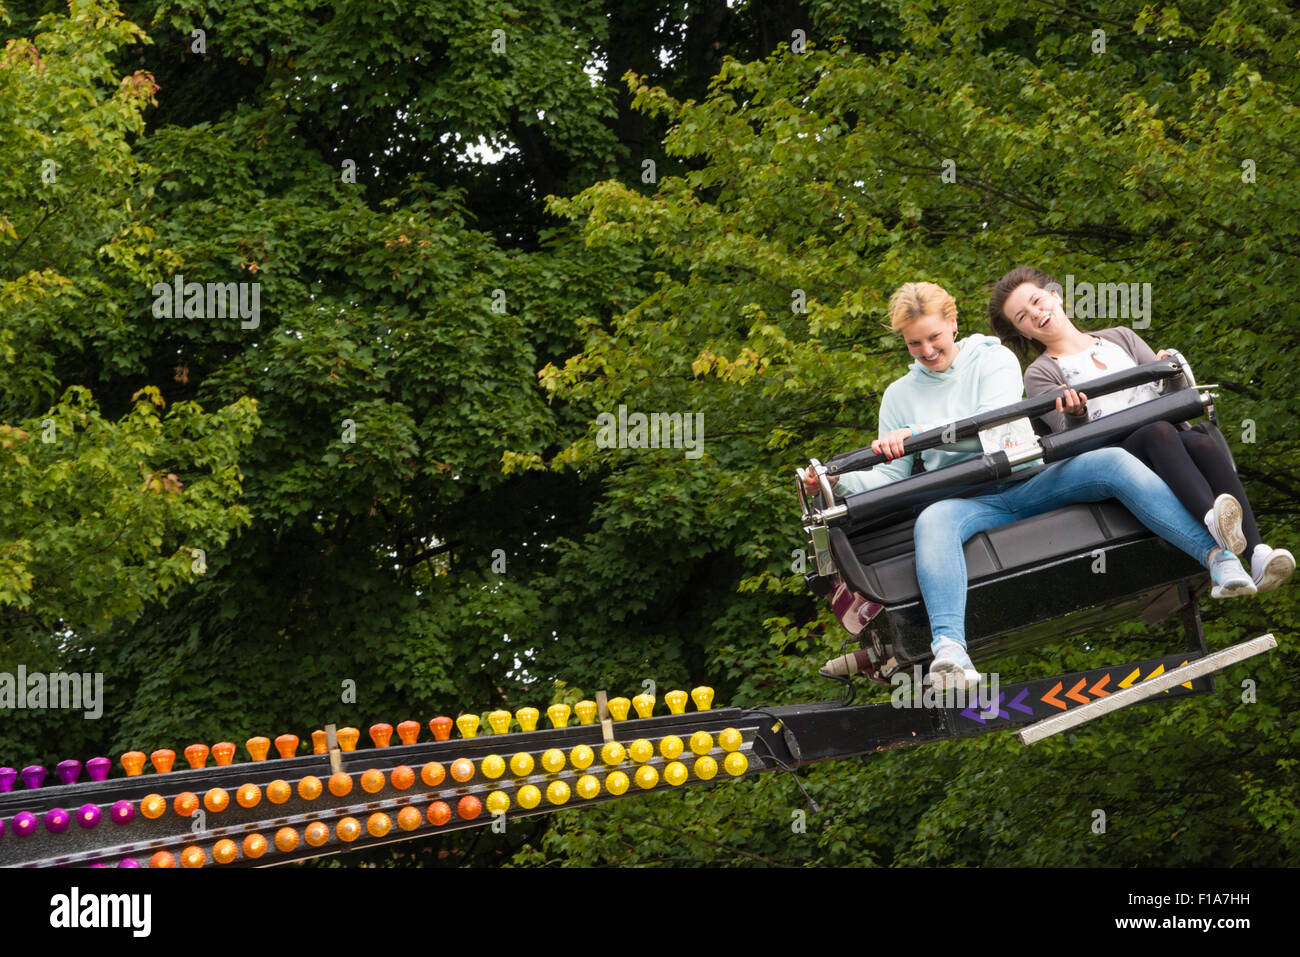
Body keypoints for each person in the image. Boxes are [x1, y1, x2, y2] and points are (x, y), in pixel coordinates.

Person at [807, 281, 1254, 691]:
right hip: (969, 500)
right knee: (932, 521)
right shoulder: (898, 396)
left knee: (1113, 463)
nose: (927, 350)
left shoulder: (994, 357)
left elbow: (993, 422)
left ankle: (1218, 558)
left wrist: (917, 434)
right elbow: (890, 476)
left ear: (954, 325)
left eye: (934, 338)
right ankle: (951, 650)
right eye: (914, 344)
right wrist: (840, 482)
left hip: (1030, 480)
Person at [988, 265, 1293, 594]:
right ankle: (1214, 523)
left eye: (1036, 301)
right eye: (1022, 317)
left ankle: (1258, 553)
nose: (1036, 314)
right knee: (1157, 432)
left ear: (1054, 295)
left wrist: (1172, 373)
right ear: (1024, 333)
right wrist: (1077, 413)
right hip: (1121, 454)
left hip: (1170, 443)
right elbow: (1068, 436)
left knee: (1202, 440)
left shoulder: (1121, 337)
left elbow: (1173, 400)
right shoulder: (1041, 373)